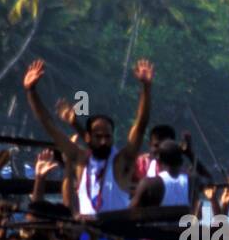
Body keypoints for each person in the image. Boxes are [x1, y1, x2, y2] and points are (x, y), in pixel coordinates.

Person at [25, 57, 152, 217]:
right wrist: (31, 92)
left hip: (116, 235)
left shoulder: (122, 161)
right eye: (98, 137)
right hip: (87, 234)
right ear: (88, 137)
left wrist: (146, 88)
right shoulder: (80, 160)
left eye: (108, 136)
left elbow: (141, 125)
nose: (104, 141)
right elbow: (49, 125)